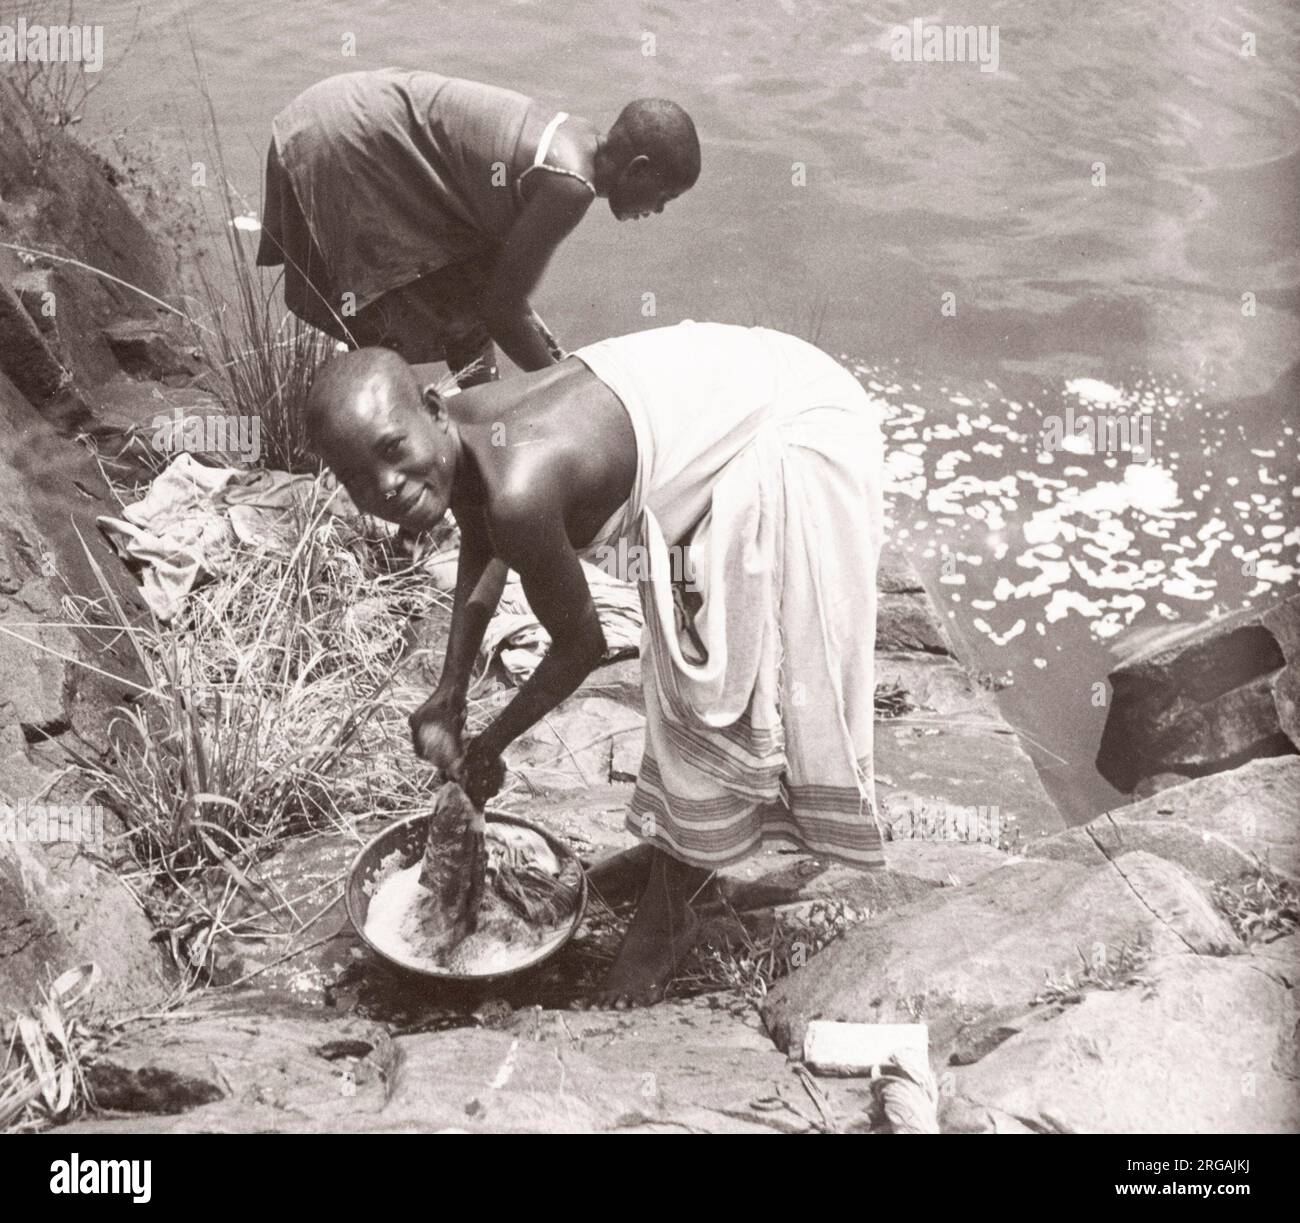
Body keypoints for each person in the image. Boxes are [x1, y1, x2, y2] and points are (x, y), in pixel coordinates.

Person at [305, 321, 885, 1005]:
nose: (385, 485)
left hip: (787, 426)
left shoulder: (520, 488)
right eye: (355, 476)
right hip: (749, 379)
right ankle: (687, 849)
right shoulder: (467, 429)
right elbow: (479, 534)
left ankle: (676, 907)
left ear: (431, 409)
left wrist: (490, 744)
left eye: (392, 450)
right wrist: (449, 687)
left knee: (705, 674)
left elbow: (581, 644)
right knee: (689, 635)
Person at [257, 68, 700, 386]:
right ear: (638, 169)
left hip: (333, 114)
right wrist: (562, 390)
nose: (657, 211)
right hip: (342, 147)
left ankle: (456, 444)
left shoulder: (574, 139)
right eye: (665, 197)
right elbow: (501, 312)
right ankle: (370, 443)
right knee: (376, 326)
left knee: (454, 312)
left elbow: (499, 292)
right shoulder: (571, 186)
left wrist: (540, 358)